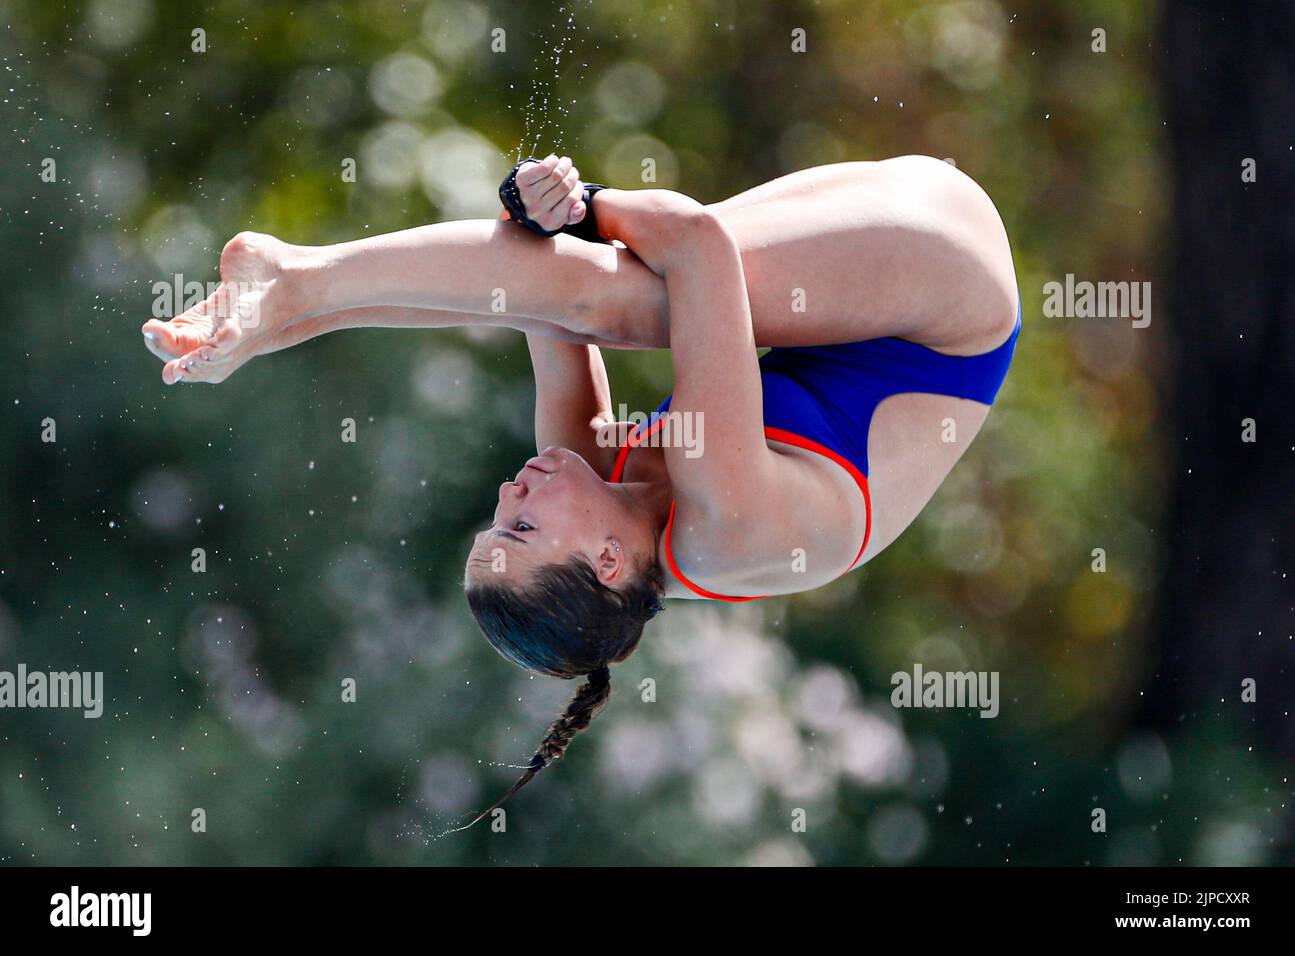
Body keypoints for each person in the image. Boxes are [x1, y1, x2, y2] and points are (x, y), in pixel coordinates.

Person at [141, 155, 1020, 817]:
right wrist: (590, 207)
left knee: (594, 296)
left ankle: (295, 303)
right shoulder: (725, 525)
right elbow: (693, 248)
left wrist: (536, 205)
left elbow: (525, 295)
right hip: (946, 294)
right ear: (605, 560)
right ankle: (295, 282)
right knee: (626, 302)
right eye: (520, 530)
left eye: (494, 520)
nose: (508, 493)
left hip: (882, 249)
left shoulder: (597, 494)